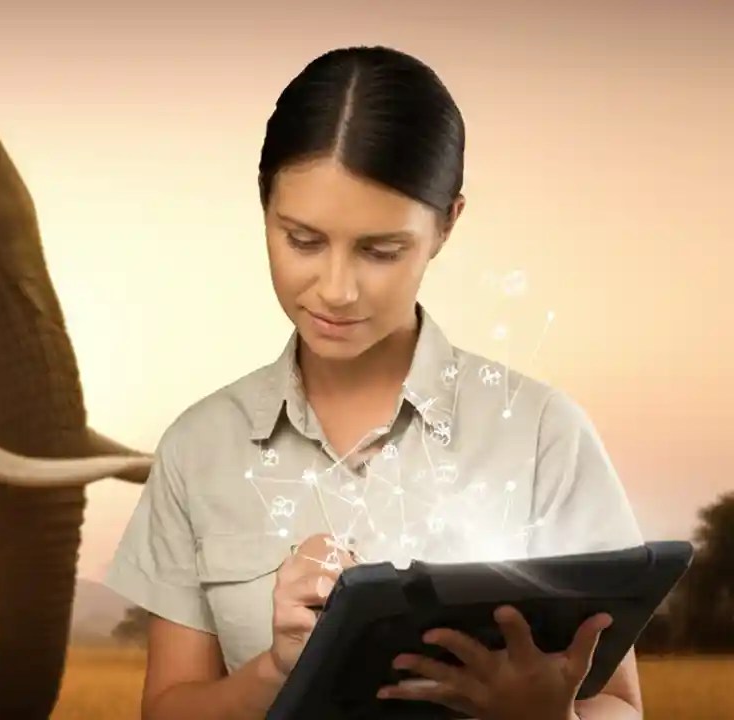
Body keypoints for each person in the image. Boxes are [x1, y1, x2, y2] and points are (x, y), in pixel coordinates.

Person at [102, 45, 646, 720]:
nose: (335, 289)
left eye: (381, 251)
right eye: (302, 240)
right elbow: (167, 711)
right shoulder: (198, 448)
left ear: (447, 224)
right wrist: (276, 670)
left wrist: (546, 716)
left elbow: (621, 703)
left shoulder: (542, 435)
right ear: (263, 203)